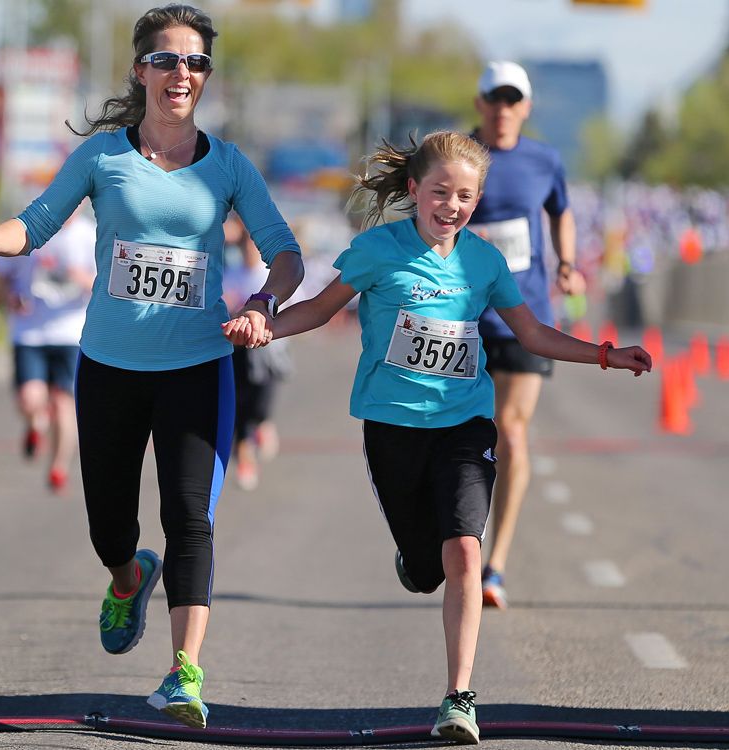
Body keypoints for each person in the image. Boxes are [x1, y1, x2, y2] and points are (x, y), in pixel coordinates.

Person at [224, 131, 651, 744]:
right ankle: (415, 560)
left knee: (465, 554)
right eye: (441, 192)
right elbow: (320, 310)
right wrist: (265, 324)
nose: (452, 206)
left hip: (464, 423)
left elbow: (532, 334)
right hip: (392, 426)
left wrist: (605, 354)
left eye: (466, 196)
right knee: (427, 570)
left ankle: (459, 697)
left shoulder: (484, 261)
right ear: (413, 191)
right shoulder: (376, 251)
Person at [0, 4, 303, 730]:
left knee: (190, 519)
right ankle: (126, 574)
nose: (183, 73)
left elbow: (286, 251)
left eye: (197, 62)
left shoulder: (230, 165)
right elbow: (37, 223)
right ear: (141, 70)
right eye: (169, 60)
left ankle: (184, 673)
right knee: (109, 525)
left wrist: (266, 300)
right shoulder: (102, 157)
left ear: (207, 76)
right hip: (110, 364)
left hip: (199, 365)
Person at [468, 61, 587, 610]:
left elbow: (560, 211)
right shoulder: (456, 154)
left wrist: (567, 261)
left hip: (525, 317)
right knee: (455, 435)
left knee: (511, 432)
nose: (503, 109)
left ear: (527, 107)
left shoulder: (545, 160)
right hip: (459, 317)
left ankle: (495, 565)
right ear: (480, 104)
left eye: (513, 100)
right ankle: (439, 539)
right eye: (495, 99)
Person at [0, 203, 97, 494]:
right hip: (30, 331)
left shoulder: (89, 235)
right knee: (30, 398)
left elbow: (107, 281)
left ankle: (58, 468)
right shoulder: (29, 229)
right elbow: (2, 271)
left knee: (64, 402)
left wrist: (82, 278)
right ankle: (36, 424)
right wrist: (10, 297)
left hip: (71, 332)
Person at [221, 213, 292, 490]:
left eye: (255, 245)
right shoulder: (231, 273)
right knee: (239, 403)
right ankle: (245, 453)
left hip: (269, 350)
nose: (251, 249)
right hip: (238, 349)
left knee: (262, 401)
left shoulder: (272, 275)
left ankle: (263, 423)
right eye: (246, 245)